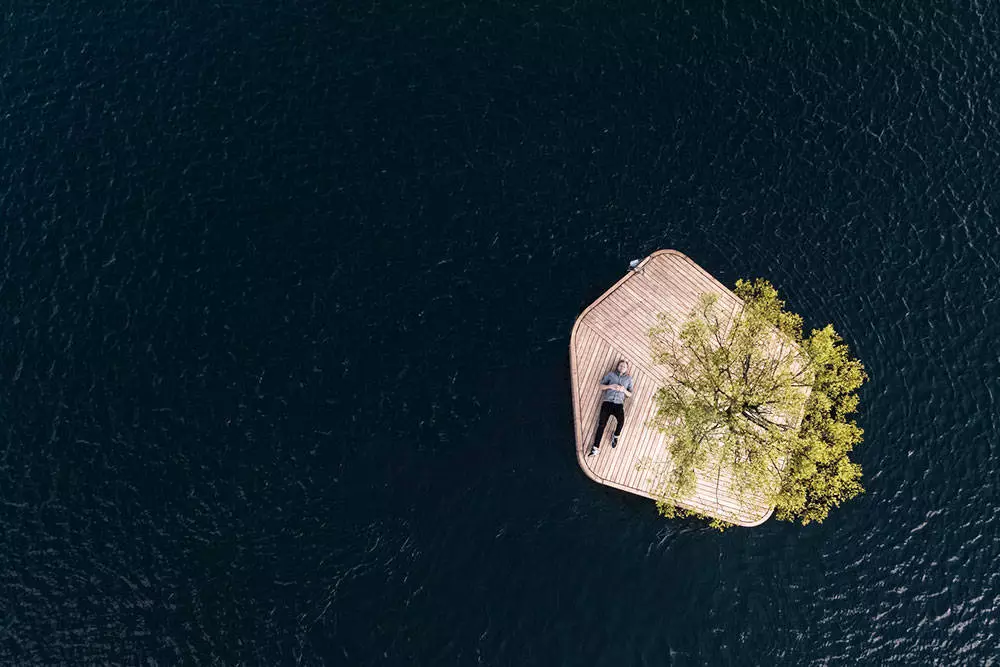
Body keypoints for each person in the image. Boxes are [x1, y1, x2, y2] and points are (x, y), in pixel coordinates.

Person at [588, 359, 634, 457]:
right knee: (601, 425)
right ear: (618, 366)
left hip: (618, 405)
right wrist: (610, 386)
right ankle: (595, 449)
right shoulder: (611, 375)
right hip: (607, 403)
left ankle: (615, 436)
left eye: (624, 367)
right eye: (621, 366)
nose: (622, 368)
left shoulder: (629, 379)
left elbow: (630, 394)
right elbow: (601, 386)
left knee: (621, 422)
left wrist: (623, 390)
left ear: (627, 369)